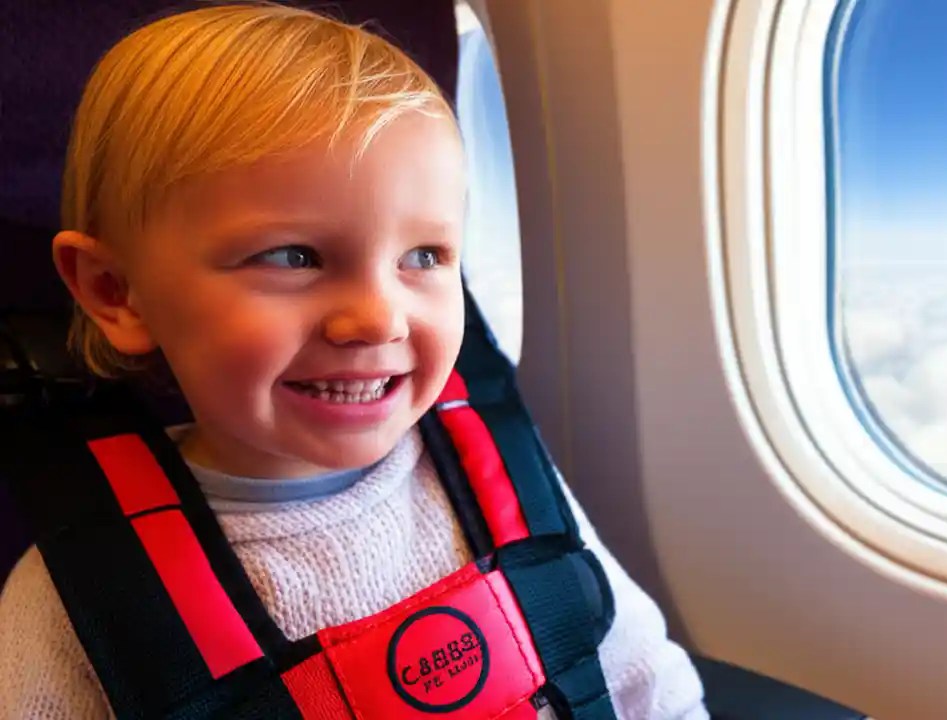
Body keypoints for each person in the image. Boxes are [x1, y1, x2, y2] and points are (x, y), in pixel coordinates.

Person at [0, 4, 708, 718]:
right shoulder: (87, 594)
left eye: (423, 256)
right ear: (116, 292)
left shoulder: (505, 481)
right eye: (293, 257)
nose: (379, 318)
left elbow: (644, 682)